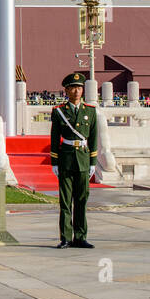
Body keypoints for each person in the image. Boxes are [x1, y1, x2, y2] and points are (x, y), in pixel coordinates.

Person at [51, 71, 98, 248]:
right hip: (66, 159)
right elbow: (54, 138)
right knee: (65, 201)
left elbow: (93, 138)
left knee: (81, 200)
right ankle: (65, 237)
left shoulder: (91, 112)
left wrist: (93, 162)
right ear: (67, 90)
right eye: (73, 88)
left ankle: (80, 236)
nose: (77, 91)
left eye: (79, 88)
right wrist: (54, 162)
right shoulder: (59, 112)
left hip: (84, 160)